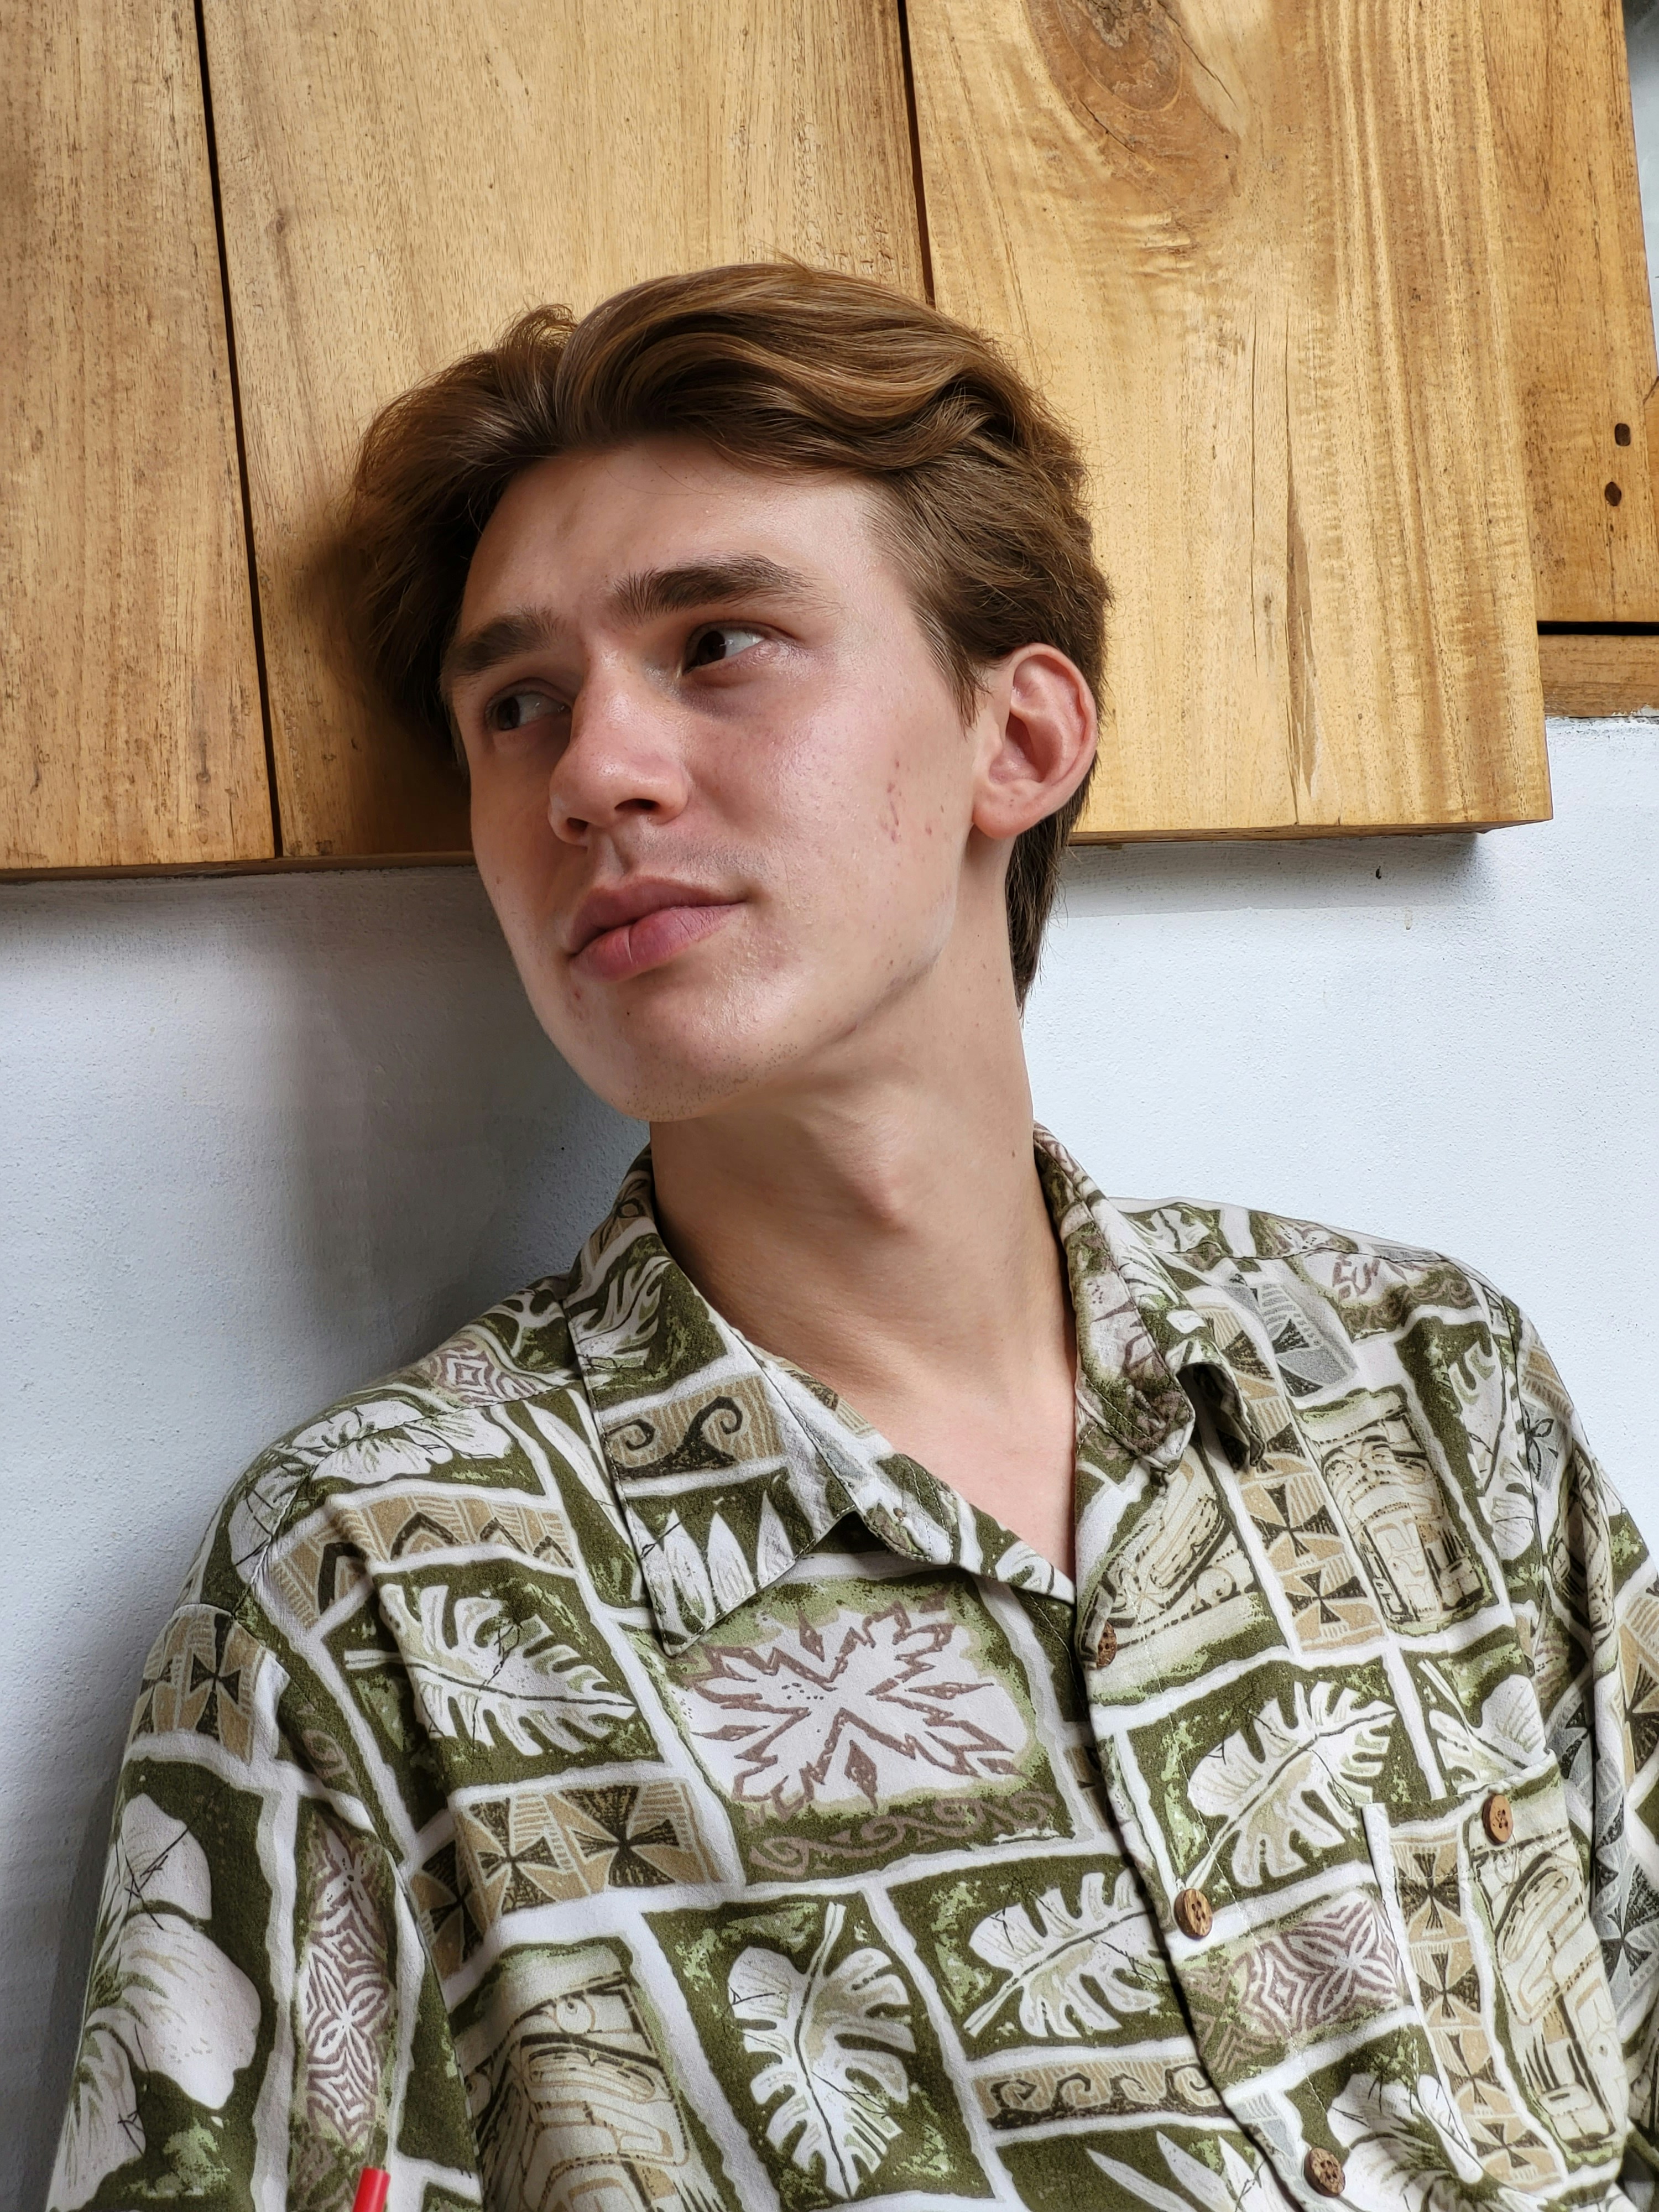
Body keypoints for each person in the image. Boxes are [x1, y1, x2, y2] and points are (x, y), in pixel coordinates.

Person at [47, 263, 1658, 2212]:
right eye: (517, 704)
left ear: (1023, 735)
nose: (593, 775)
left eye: (719, 642)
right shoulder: (375, 1590)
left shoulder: (1424, 1388)